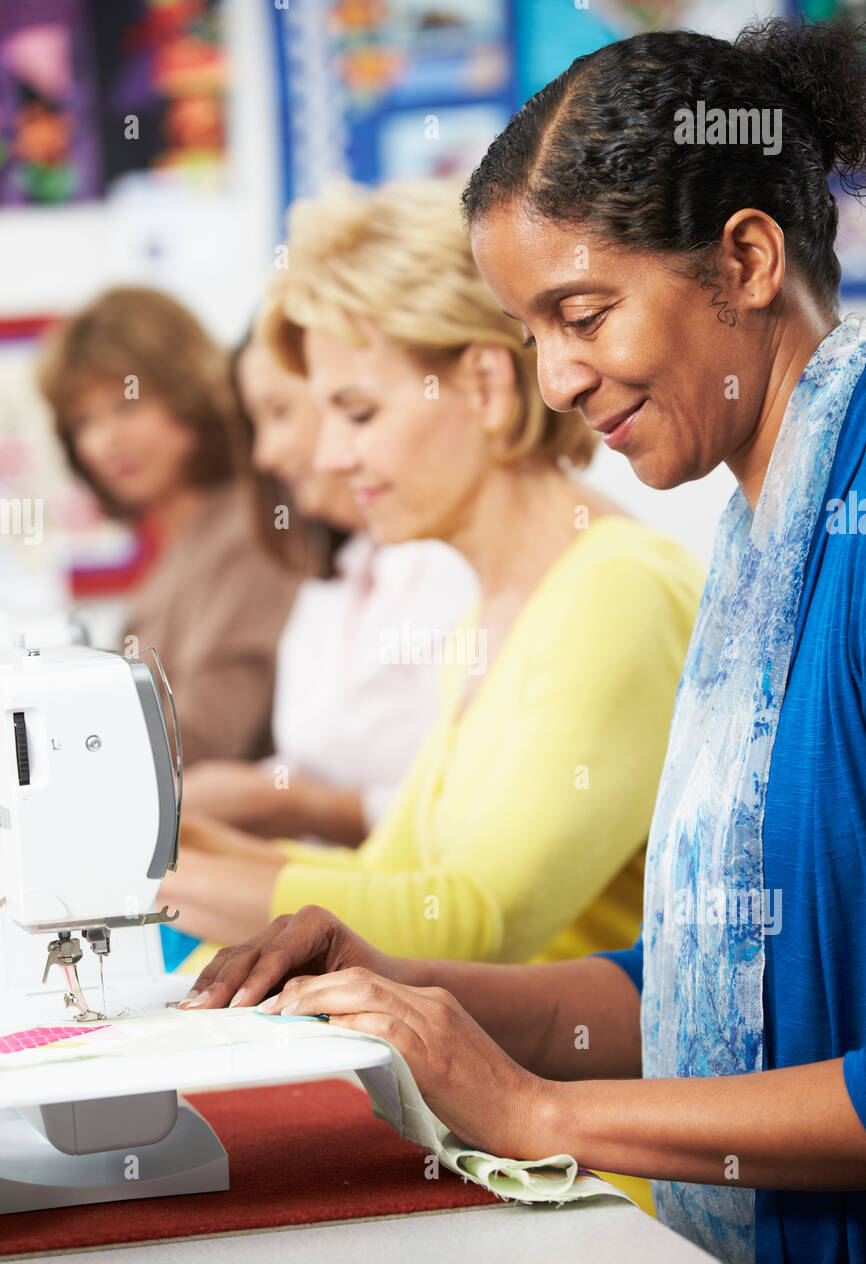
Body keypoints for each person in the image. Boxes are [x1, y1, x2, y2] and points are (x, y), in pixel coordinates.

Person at [181, 18, 866, 1264]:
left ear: (748, 259)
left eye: (581, 312)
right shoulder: (764, 537)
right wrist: (405, 984)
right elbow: (717, 978)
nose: (552, 374)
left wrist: (538, 1113)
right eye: (531, 327)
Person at [168, 176, 702, 974]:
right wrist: (177, 838)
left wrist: (157, 877)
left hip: (576, 1087)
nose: (328, 456)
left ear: (485, 386)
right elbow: (394, 881)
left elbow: (473, 926)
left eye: (359, 413)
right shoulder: (495, 607)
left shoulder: (617, 592)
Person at [181, 330, 479, 843]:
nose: (264, 456)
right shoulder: (335, 576)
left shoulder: (459, 570)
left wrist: (301, 807)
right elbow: (305, 761)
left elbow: (479, 817)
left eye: (279, 413)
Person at [37, 286, 298, 764]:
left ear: (189, 395)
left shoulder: (248, 528)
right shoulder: (174, 539)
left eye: (127, 406)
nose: (104, 441)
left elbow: (209, 732)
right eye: (82, 422)